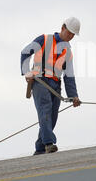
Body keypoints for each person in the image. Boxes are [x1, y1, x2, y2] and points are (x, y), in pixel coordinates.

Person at [21, 17, 82, 155]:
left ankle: (40, 149)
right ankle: (49, 143)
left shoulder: (67, 52)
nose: (71, 36)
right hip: (40, 80)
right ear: (62, 28)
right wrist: (26, 72)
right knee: (45, 109)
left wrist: (74, 96)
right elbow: (25, 52)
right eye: (69, 33)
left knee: (52, 116)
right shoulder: (44, 39)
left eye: (73, 35)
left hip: (55, 84)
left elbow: (69, 75)